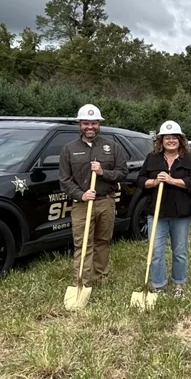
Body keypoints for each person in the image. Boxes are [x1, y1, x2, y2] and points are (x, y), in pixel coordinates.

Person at [59, 104, 129, 287]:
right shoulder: (69, 149)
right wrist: (81, 195)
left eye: (93, 123)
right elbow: (64, 180)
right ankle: (81, 281)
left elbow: (122, 172)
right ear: (79, 125)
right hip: (82, 204)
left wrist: (102, 172)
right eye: (86, 123)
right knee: (82, 244)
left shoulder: (112, 147)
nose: (90, 127)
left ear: (99, 124)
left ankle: (100, 278)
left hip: (106, 201)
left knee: (103, 241)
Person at [135, 120, 191, 297]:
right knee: (155, 250)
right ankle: (158, 285)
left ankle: (179, 284)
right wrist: (156, 181)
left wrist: (172, 181)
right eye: (167, 138)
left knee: (179, 251)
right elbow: (141, 181)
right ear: (161, 140)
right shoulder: (152, 158)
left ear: (180, 140)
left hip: (181, 212)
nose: (171, 140)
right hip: (156, 211)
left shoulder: (189, 158)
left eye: (174, 138)